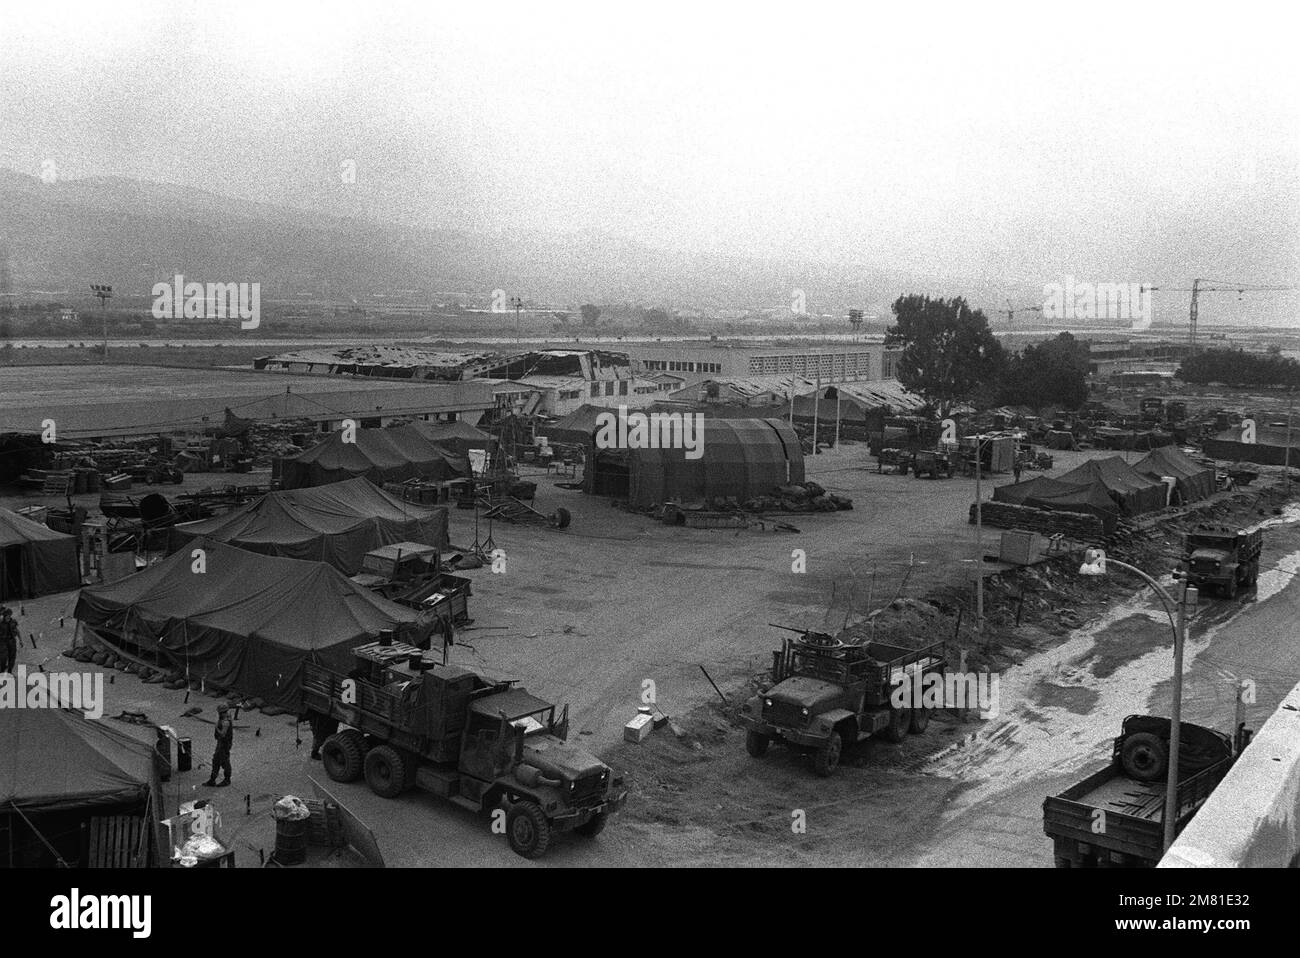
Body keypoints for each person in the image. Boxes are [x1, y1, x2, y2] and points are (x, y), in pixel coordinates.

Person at [204, 704, 234, 787]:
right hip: (221, 743)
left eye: (220, 713)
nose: (219, 714)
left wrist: (216, 727)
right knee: (216, 760)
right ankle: (212, 780)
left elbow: (223, 734)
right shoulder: (225, 718)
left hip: (224, 744)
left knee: (225, 762)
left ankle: (227, 780)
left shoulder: (226, 722)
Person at [0, 606, 19, 675]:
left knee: (12, 657)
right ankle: (1, 671)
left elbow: (17, 630)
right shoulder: (1, 623)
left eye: (9, 615)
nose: (8, 616)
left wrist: (20, 640)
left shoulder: (13, 621)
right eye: (7, 615)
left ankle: (10, 672)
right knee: (3, 657)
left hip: (12, 641)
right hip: (3, 642)